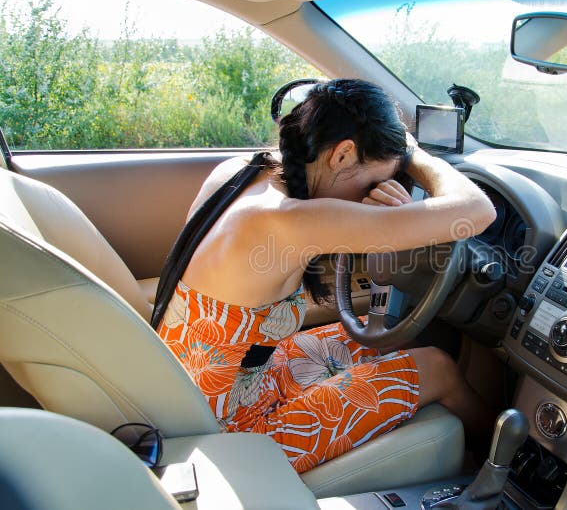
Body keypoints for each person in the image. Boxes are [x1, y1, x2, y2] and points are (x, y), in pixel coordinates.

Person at [156, 79, 497, 473]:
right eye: (371, 181)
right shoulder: (288, 221)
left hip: (200, 391)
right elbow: (477, 211)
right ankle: (513, 471)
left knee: (387, 334)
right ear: (343, 154)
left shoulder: (241, 171)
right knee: (437, 366)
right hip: (234, 430)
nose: (371, 193)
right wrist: (415, 156)